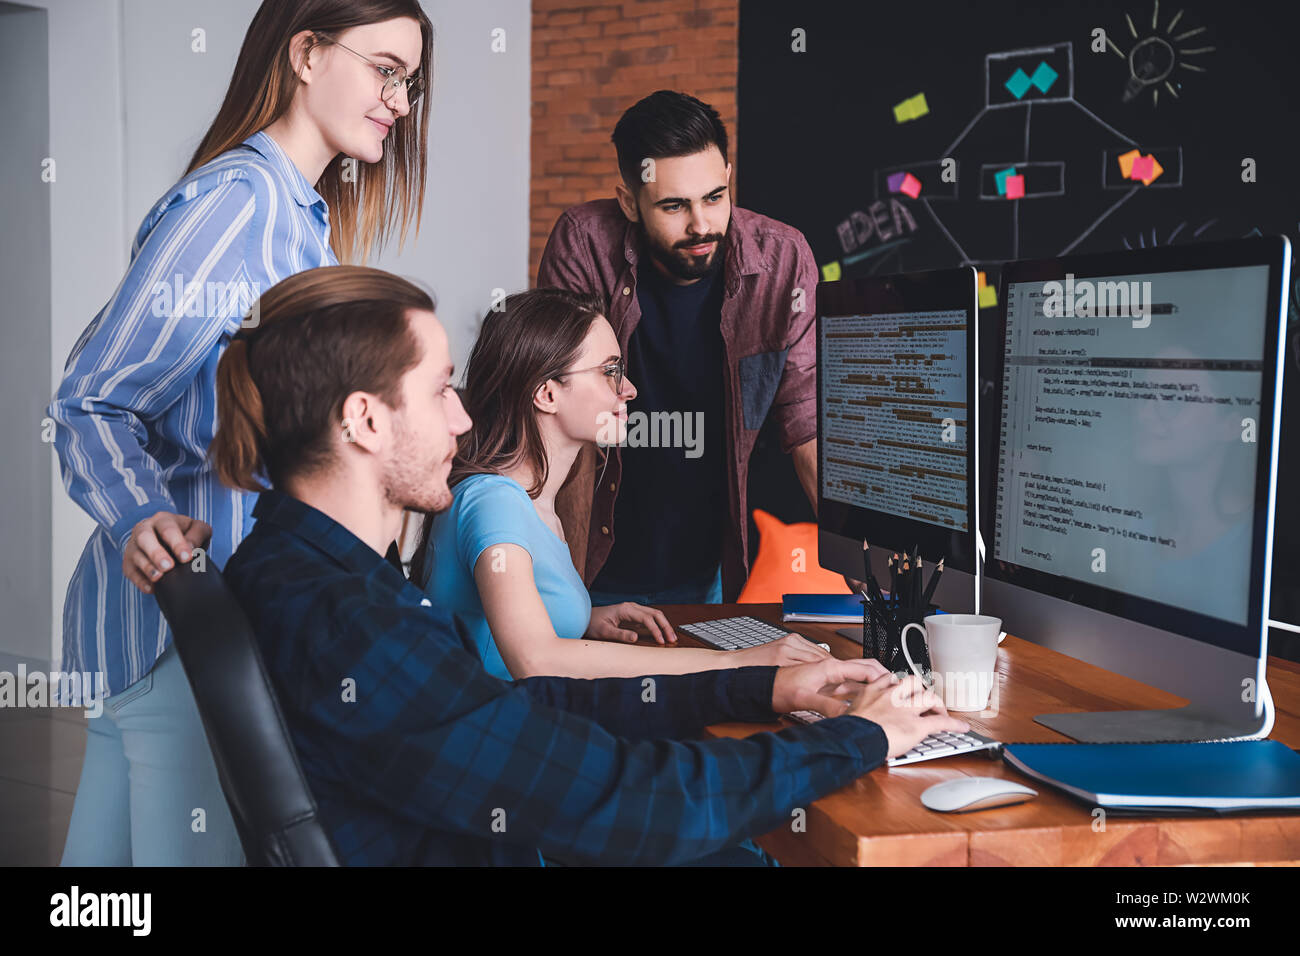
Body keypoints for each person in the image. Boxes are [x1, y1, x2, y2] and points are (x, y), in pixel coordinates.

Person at [212, 264, 969, 866]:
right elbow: (637, 804)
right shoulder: (355, 628)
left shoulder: (300, 570)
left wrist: (762, 685)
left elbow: (521, 710)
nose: (463, 416)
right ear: (365, 420)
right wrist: (860, 738)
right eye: (440, 389)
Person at [46, 0, 432, 865]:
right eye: (384, 69)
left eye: (407, 81)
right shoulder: (239, 207)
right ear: (305, 52)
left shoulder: (300, 218)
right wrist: (143, 518)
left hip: (175, 636)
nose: (400, 100)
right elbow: (91, 400)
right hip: (184, 635)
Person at [410, 288, 830, 680]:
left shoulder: (528, 499)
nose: (628, 389)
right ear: (547, 395)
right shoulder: (494, 501)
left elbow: (509, 619)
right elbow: (536, 660)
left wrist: (583, 618)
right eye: (609, 372)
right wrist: (738, 661)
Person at [537, 90, 825, 606]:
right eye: (674, 206)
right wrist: (553, 574)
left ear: (729, 178)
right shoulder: (583, 243)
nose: (701, 225)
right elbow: (558, 411)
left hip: (705, 564)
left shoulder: (782, 260)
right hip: (589, 560)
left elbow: (807, 423)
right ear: (629, 201)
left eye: (715, 197)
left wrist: (866, 562)